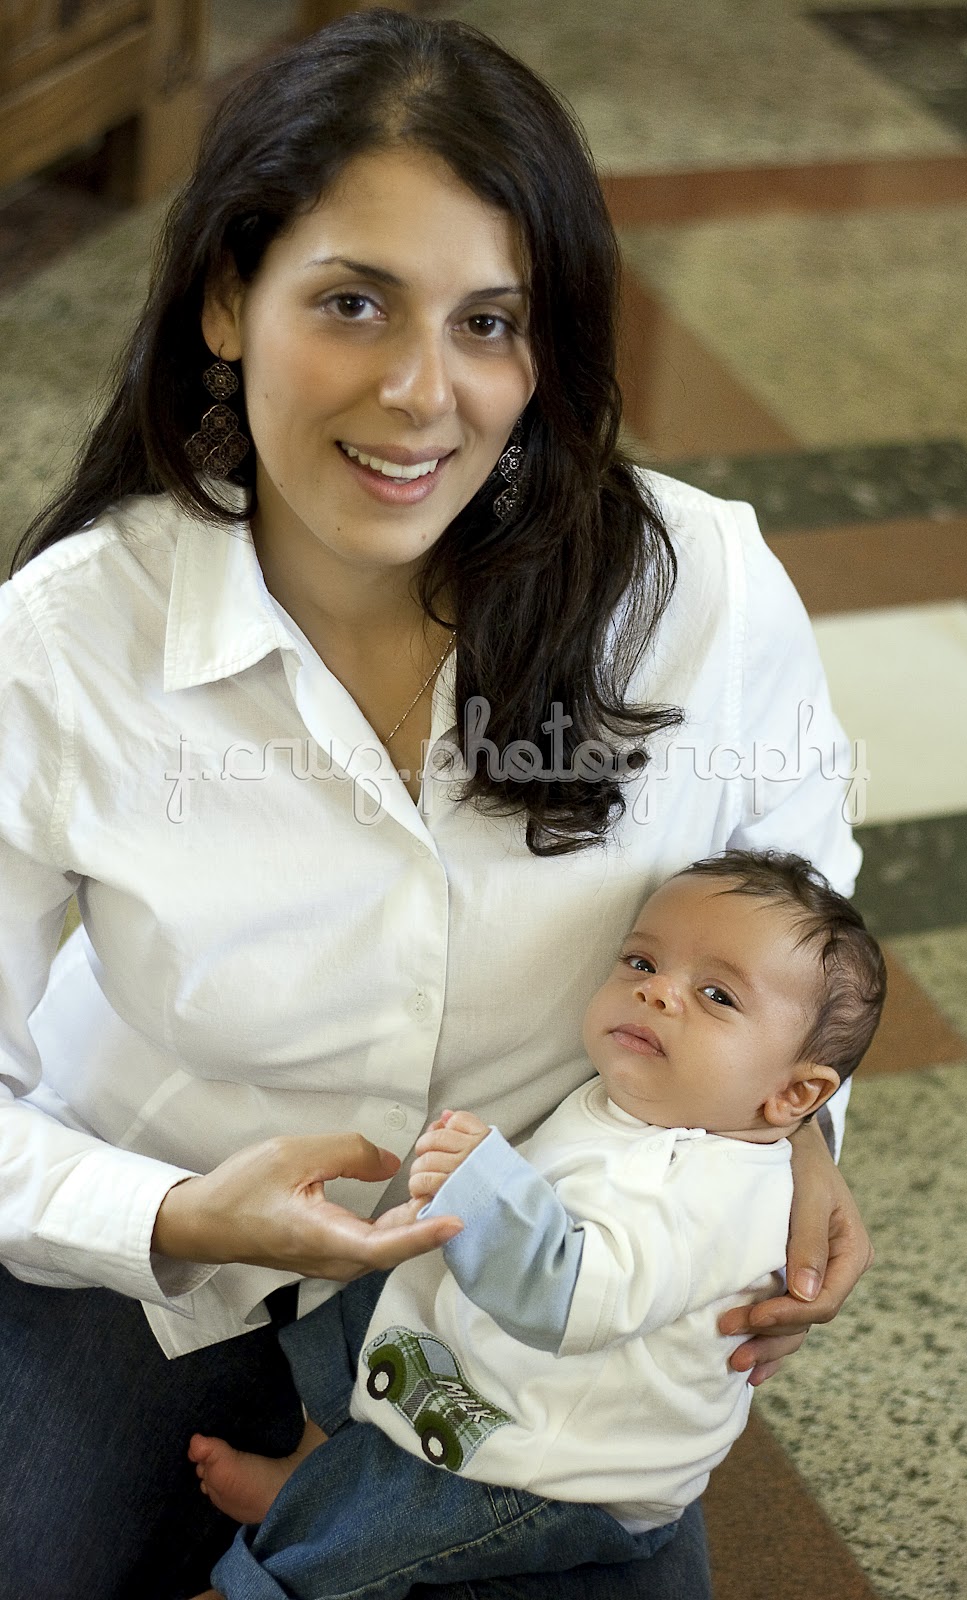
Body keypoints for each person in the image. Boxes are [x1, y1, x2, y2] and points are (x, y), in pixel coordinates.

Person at [0, 12, 874, 1600]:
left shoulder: (701, 595)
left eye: (489, 323)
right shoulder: (64, 646)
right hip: (167, 1267)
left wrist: (809, 1143)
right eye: (351, 304)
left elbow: (809, 899)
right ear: (223, 299)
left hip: (538, 1306)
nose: (421, 394)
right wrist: (183, 1214)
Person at [187, 851, 887, 1600]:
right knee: (361, 1305)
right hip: (509, 1357)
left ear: (792, 1094)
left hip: (551, 1462)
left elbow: (578, 1302)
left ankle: (262, 1576)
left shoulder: (716, 1198)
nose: (655, 992)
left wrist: (482, 1189)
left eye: (715, 994)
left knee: (381, 1528)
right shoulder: (648, 1098)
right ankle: (307, 1470)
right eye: (641, 961)